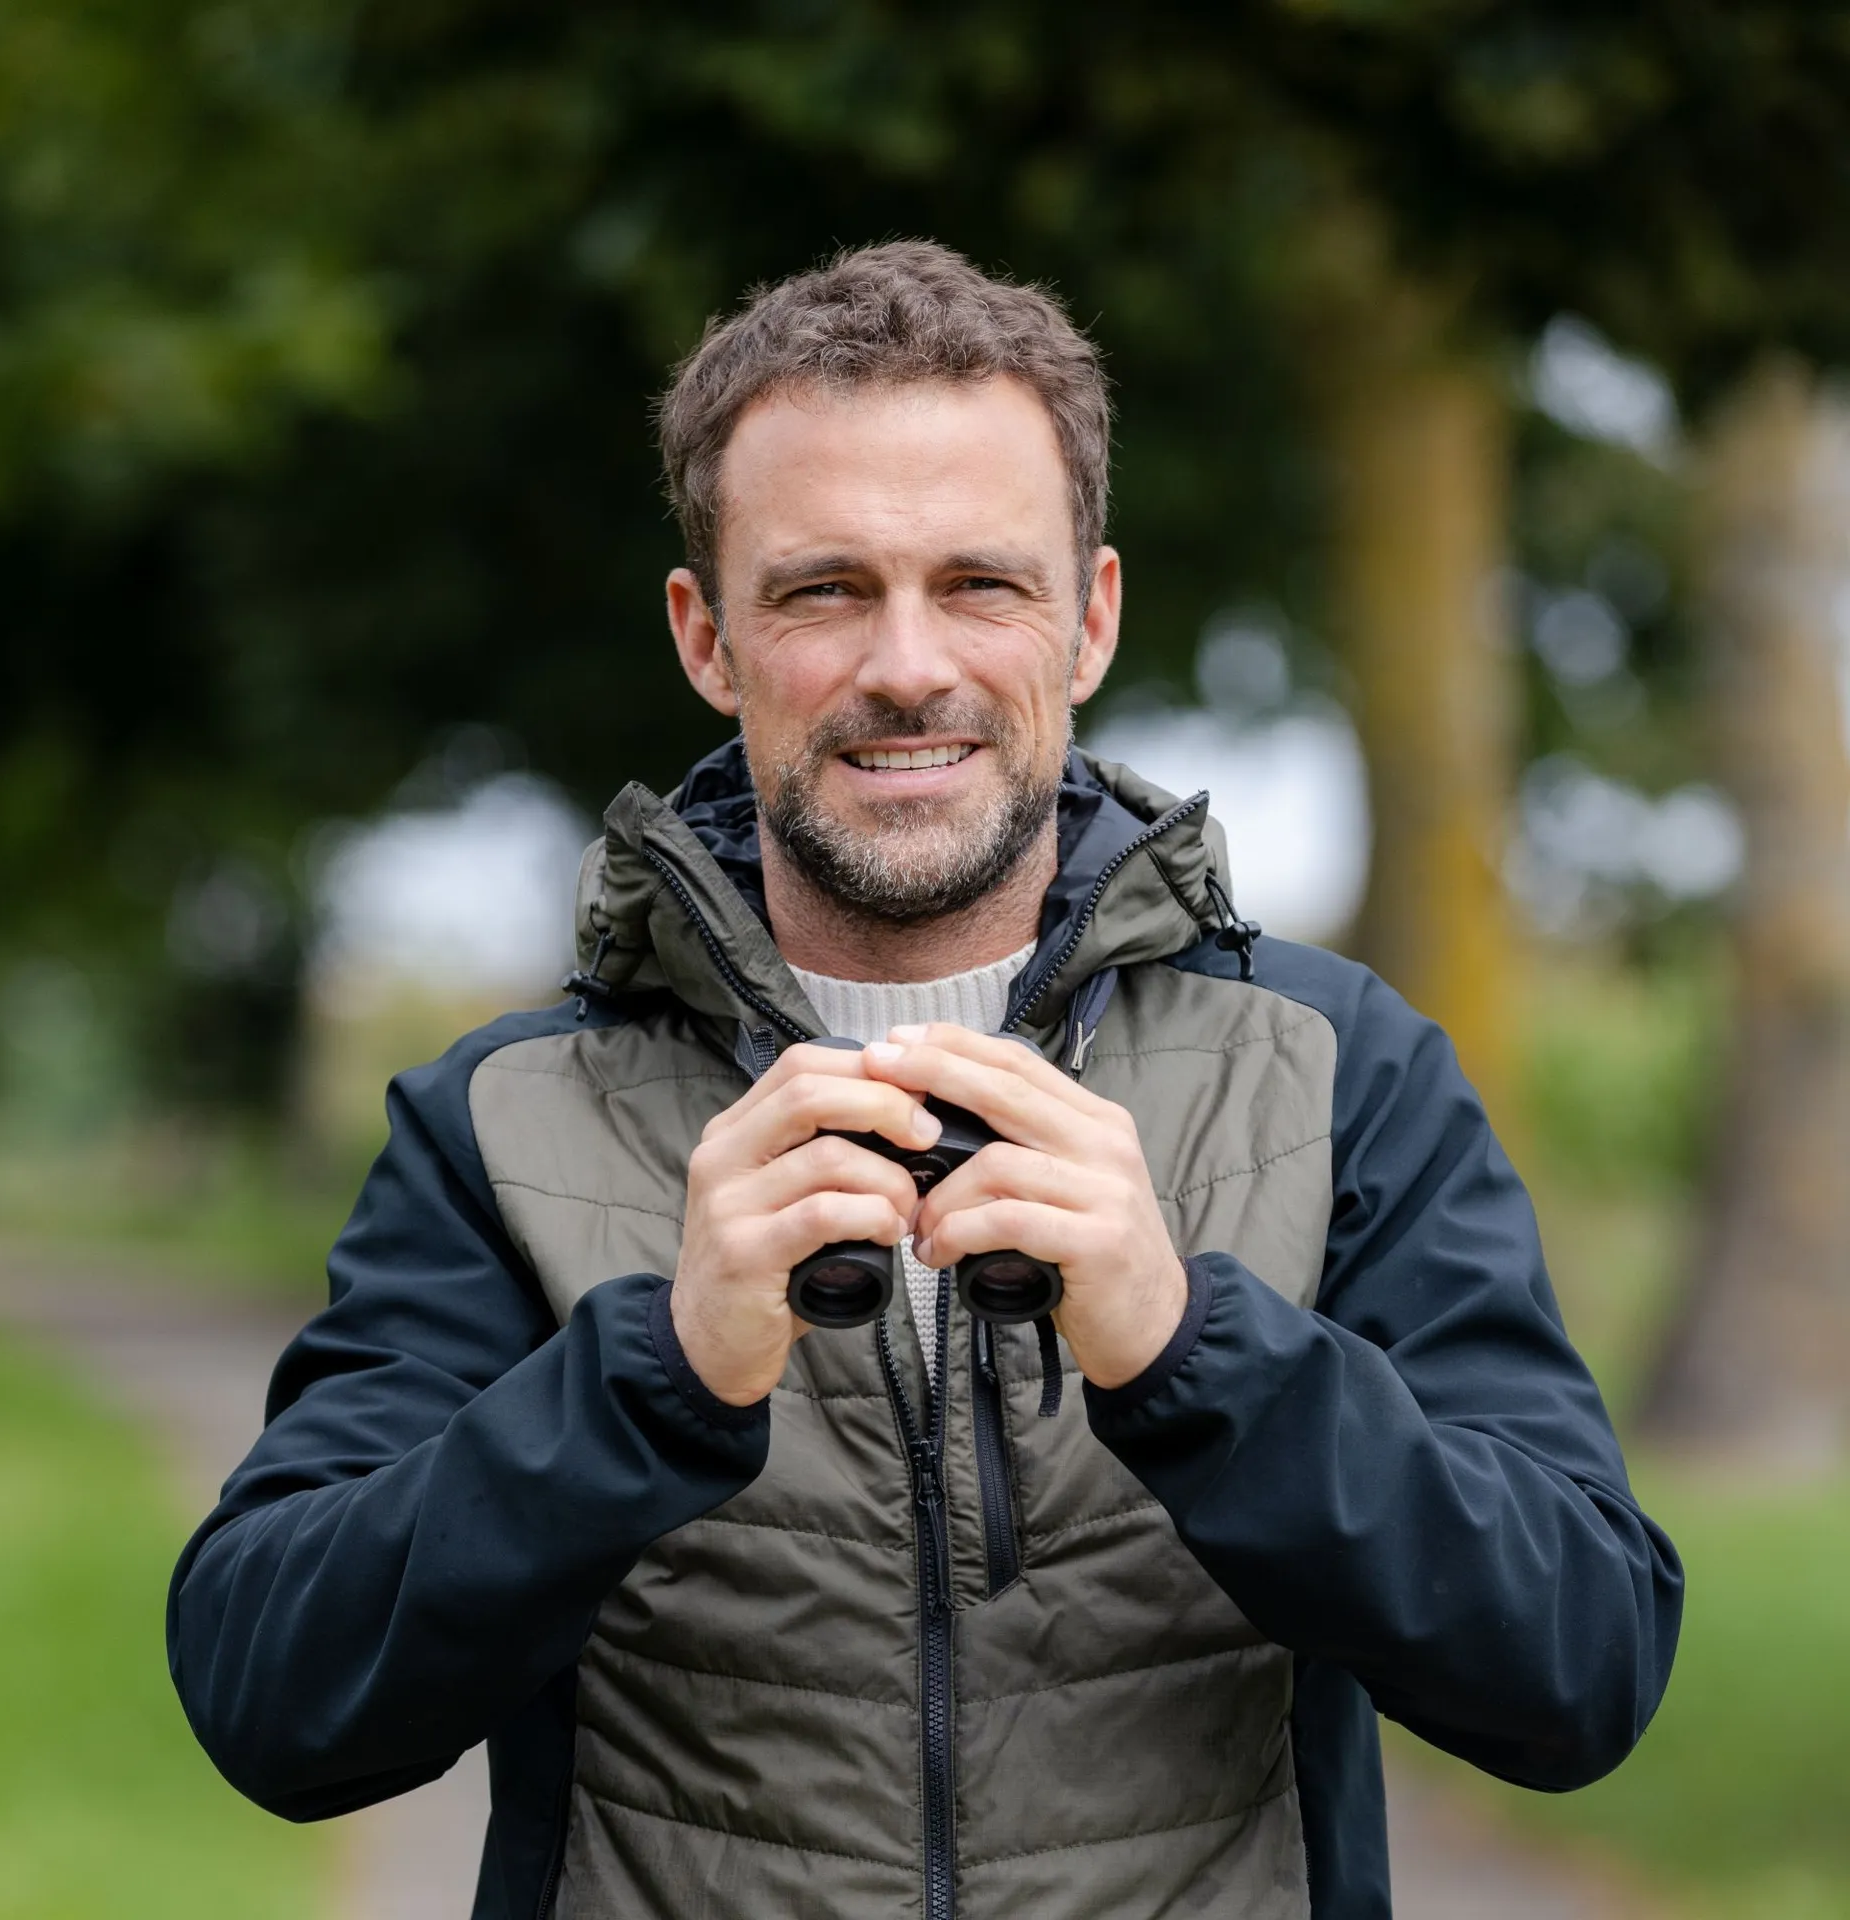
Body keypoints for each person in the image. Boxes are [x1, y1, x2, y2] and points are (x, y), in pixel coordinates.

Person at [168, 241, 1682, 1920]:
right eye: (824, 591)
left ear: (1089, 618)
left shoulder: (1339, 1074)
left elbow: (1581, 1668)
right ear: (707, 637)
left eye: (980, 584)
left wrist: (1195, 1350)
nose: (907, 665)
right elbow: (272, 1700)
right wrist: (650, 1379)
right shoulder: (503, 1124)